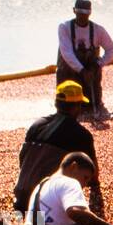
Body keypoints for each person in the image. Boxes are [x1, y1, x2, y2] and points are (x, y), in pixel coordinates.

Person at [13, 80, 103, 214]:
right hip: (44, 202)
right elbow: (92, 174)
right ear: (77, 106)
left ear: (57, 104)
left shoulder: (36, 125)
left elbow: (23, 160)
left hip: (21, 196)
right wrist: (95, 188)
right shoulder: (81, 135)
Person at [56, 0, 113, 119]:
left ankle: (95, 105)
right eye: (80, 14)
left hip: (91, 69)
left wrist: (99, 64)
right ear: (74, 11)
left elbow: (110, 49)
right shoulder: (64, 28)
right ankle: (63, 109)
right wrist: (82, 71)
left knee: (92, 103)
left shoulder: (98, 30)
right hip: (69, 70)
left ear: (90, 13)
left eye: (85, 14)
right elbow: (67, 53)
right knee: (67, 103)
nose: (83, 17)